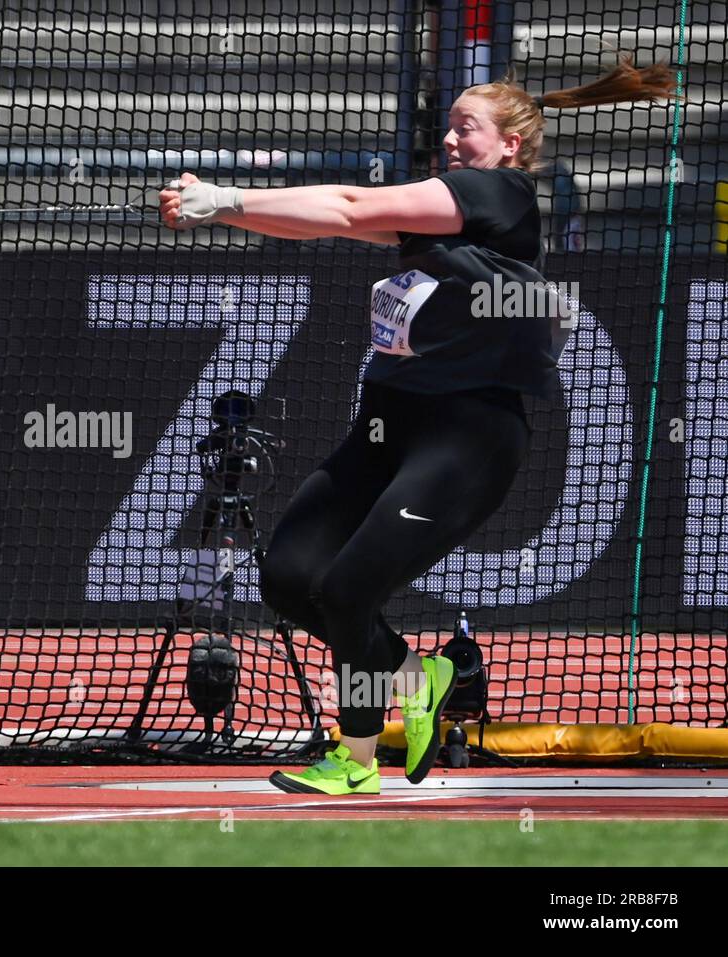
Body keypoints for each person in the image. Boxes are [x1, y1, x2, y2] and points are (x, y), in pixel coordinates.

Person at [158, 56, 676, 795]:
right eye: (449, 131)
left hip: (466, 436)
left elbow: (346, 205)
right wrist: (223, 210)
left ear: (509, 148)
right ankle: (415, 672)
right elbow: (327, 223)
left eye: (467, 128)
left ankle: (359, 760)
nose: (452, 142)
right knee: (289, 575)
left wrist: (225, 194)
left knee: (345, 590)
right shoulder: (447, 221)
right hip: (386, 426)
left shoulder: (498, 191)